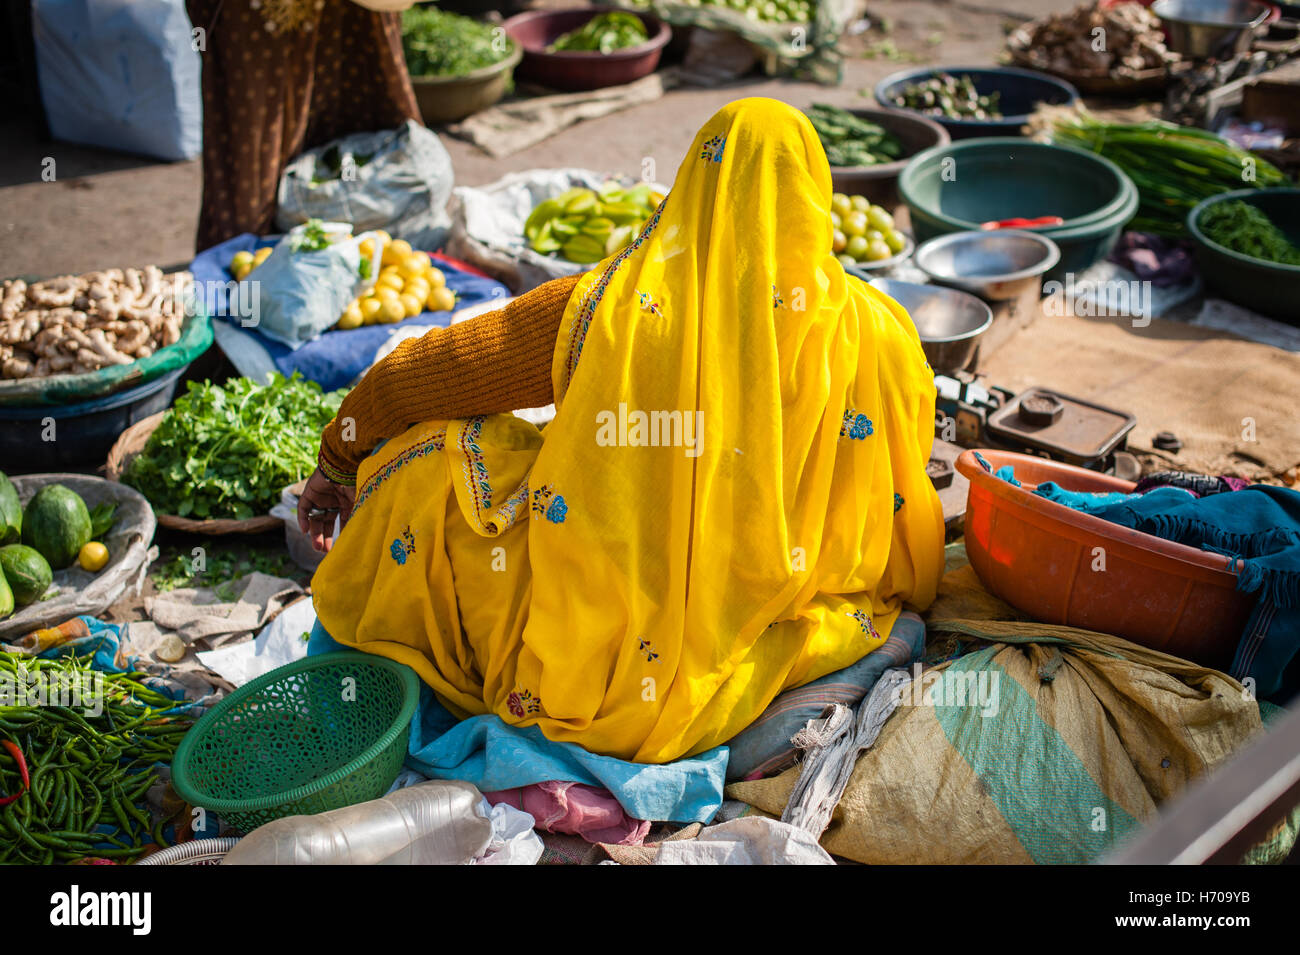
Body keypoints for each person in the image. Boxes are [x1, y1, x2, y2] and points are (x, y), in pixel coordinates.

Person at [300, 98, 945, 764]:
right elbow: (899, 478)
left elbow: (427, 375)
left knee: (428, 458)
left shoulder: (613, 312)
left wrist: (340, 458)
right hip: (797, 608)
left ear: (693, 182)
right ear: (816, 199)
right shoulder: (882, 330)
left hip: (615, 660)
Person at [186, 0, 421, 250]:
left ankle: (351, 243)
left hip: (349, 12)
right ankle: (246, 258)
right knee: (254, 136)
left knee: (352, 95)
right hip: (255, 15)